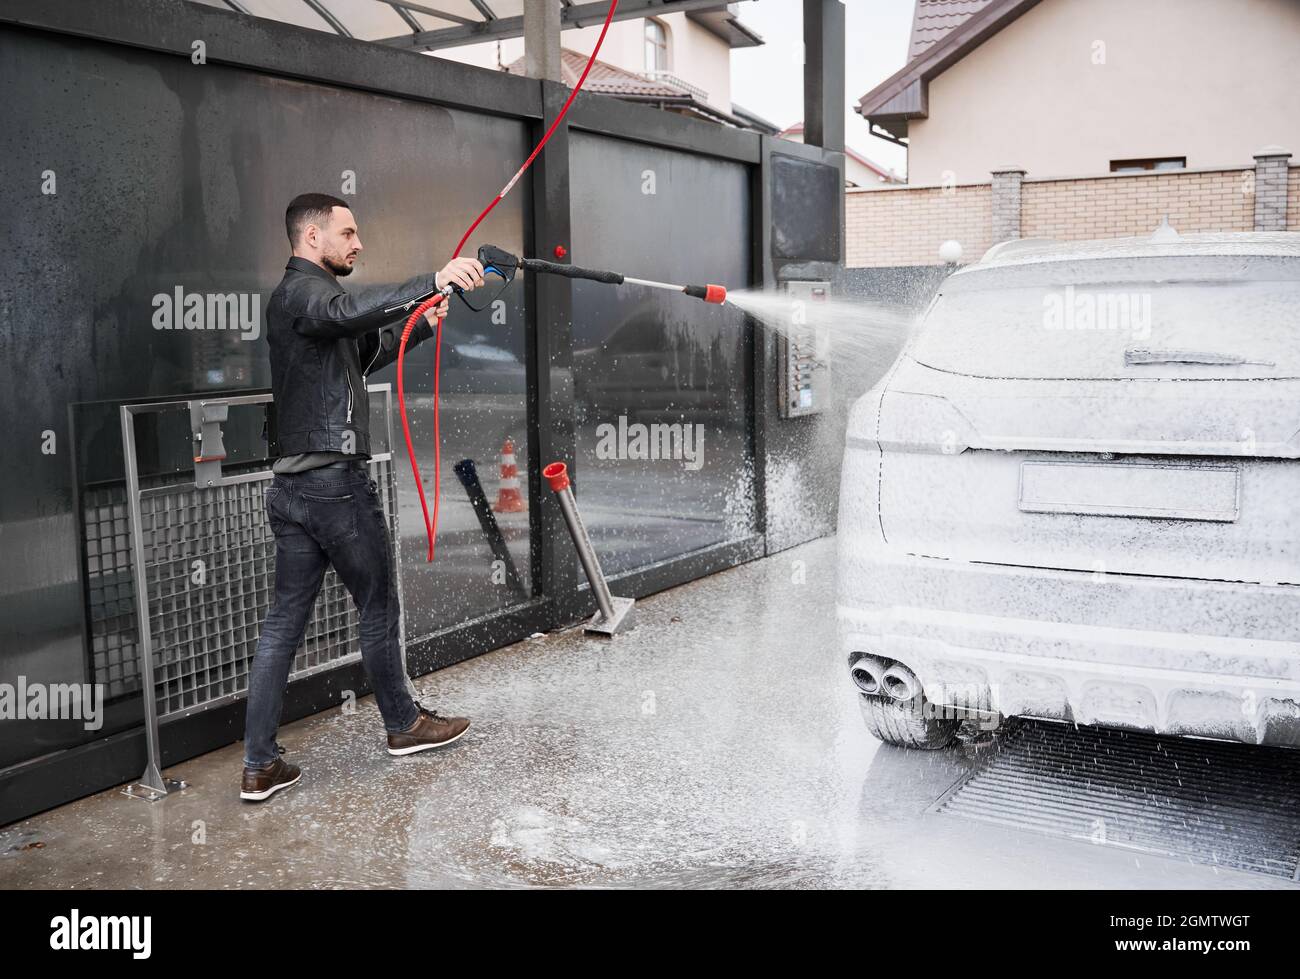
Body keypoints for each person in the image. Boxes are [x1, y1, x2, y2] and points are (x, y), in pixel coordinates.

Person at [240, 193, 484, 802]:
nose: (358, 243)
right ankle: (403, 724)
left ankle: (260, 765)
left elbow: (364, 351)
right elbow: (351, 311)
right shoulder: (305, 292)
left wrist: (422, 323)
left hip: (294, 491)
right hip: (333, 488)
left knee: (282, 626)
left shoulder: (309, 307)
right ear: (313, 237)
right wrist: (432, 278)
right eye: (347, 233)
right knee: (378, 606)